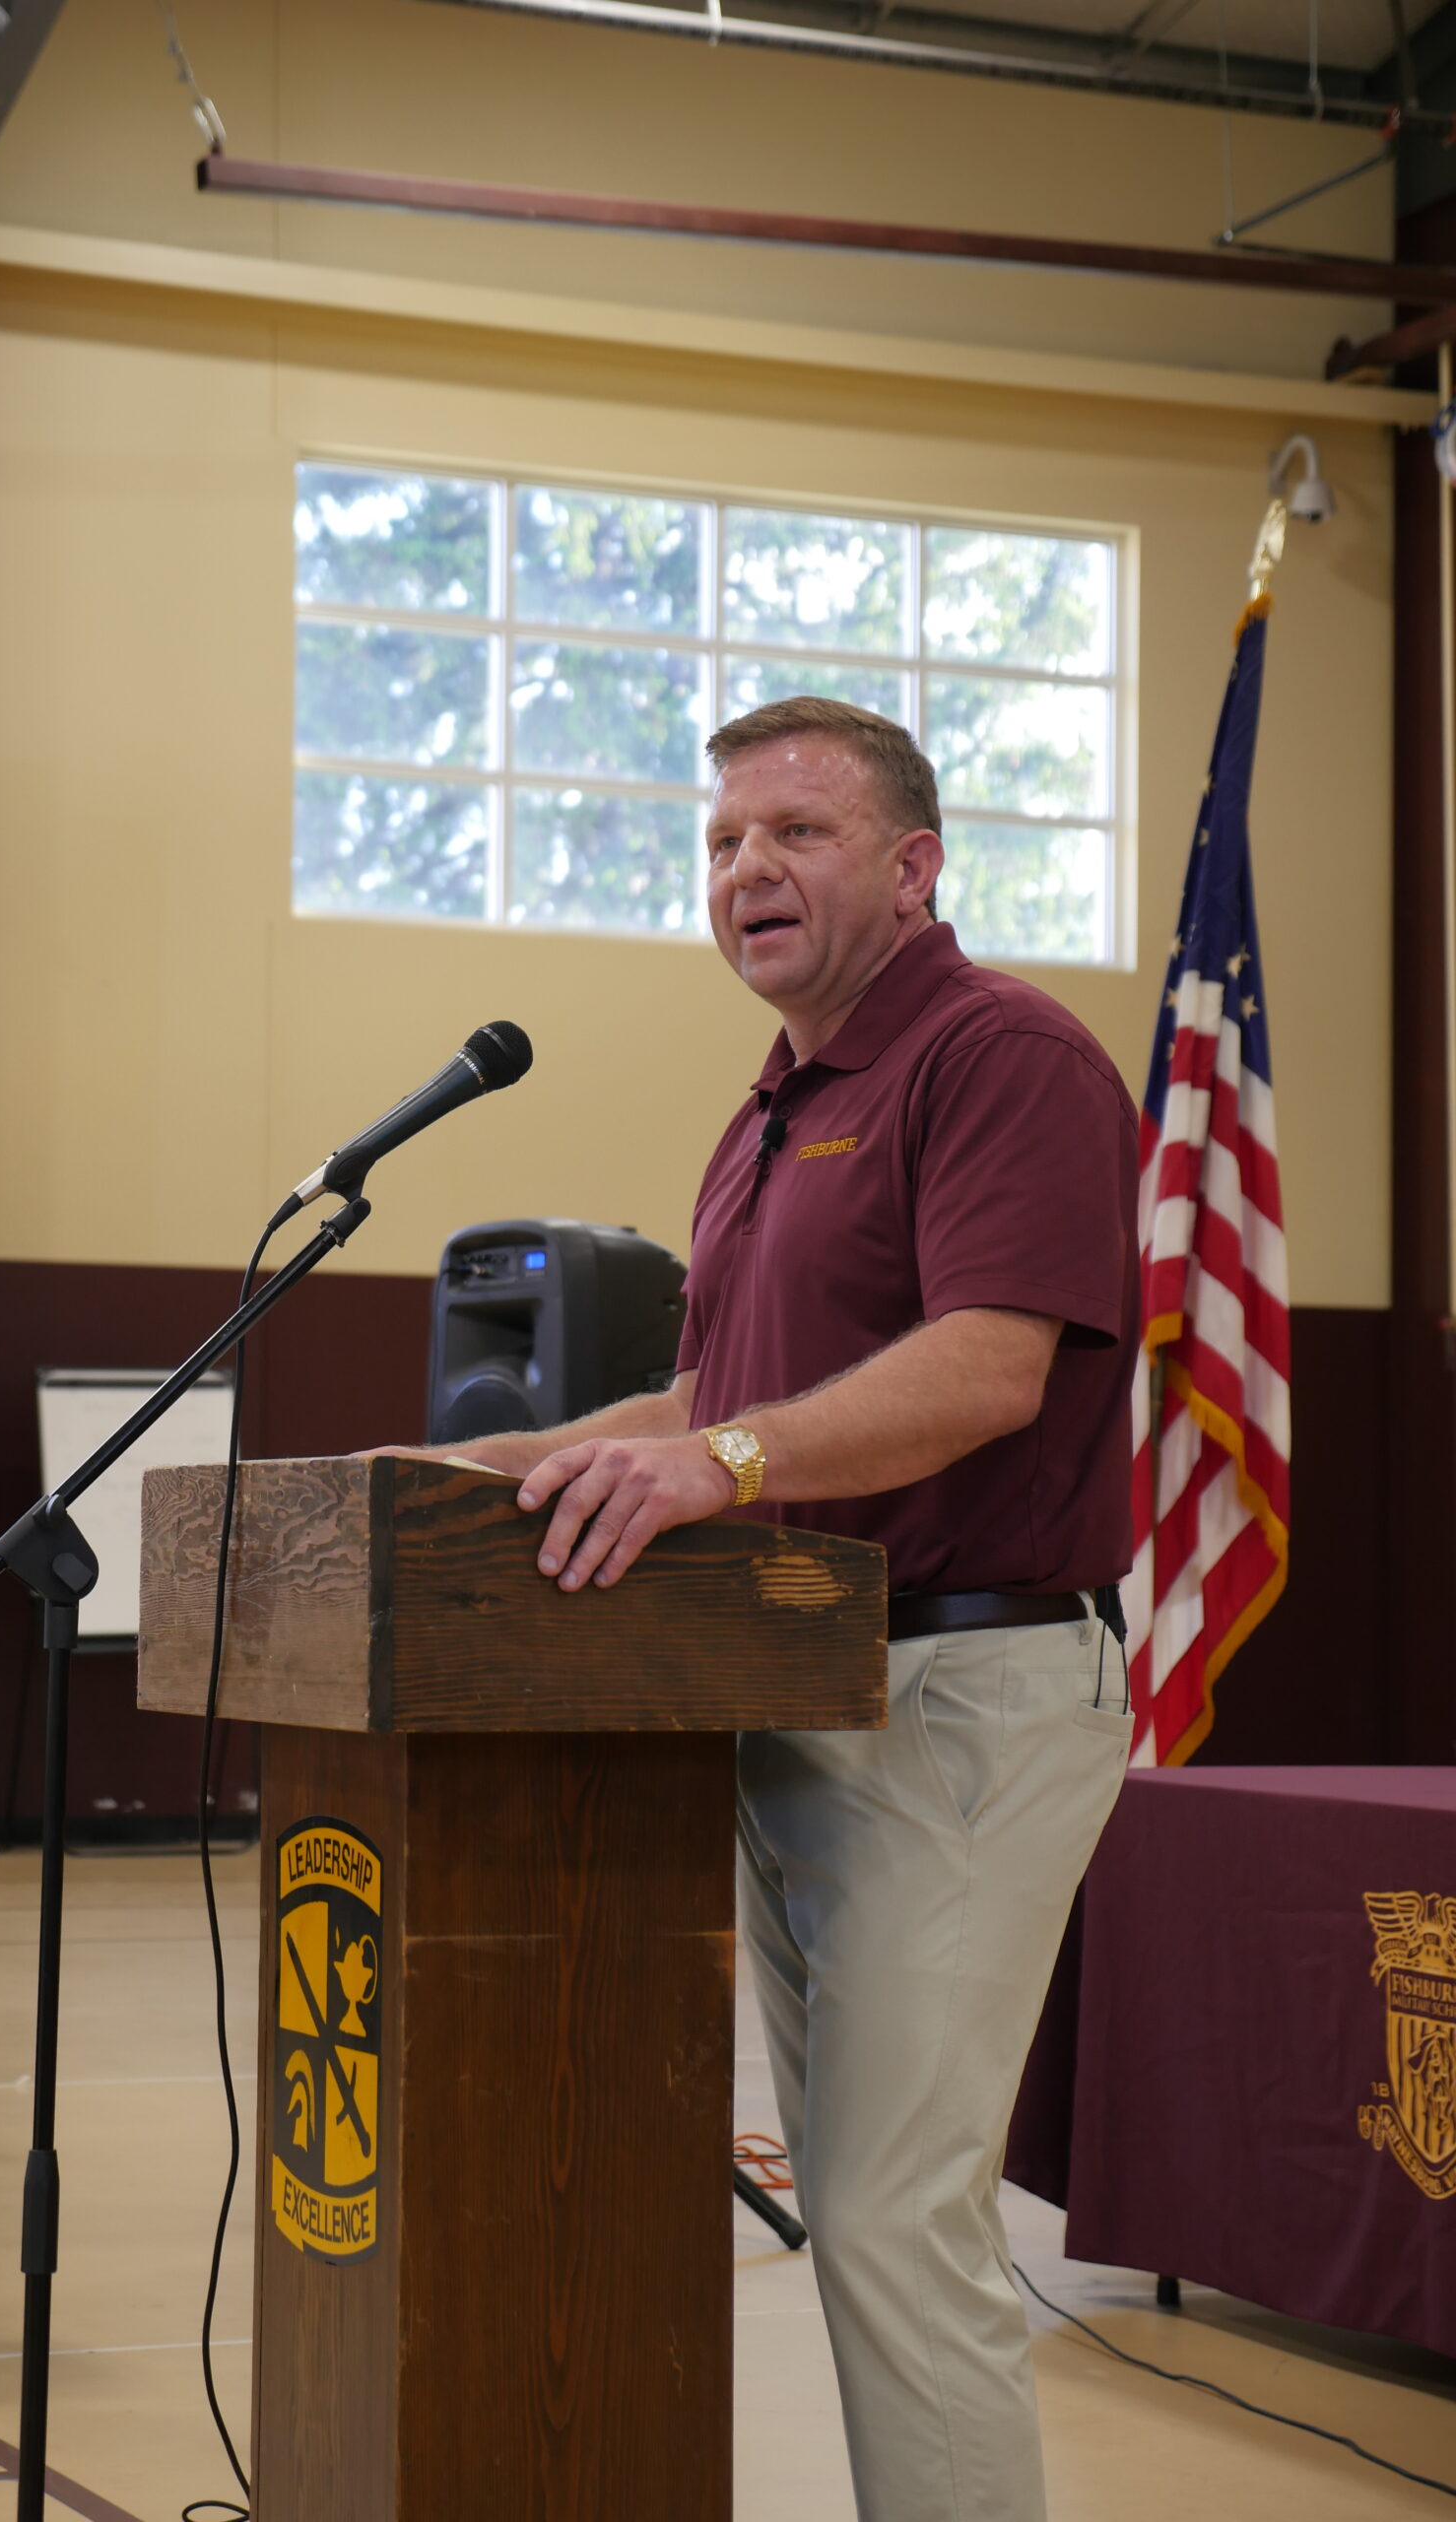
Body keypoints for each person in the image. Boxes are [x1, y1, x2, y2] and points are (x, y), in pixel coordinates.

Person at [401, 696, 1139, 2521]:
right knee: (858, 2206)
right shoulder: (773, 1108)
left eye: (796, 833)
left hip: (961, 1692)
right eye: (725, 841)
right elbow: (709, 1397)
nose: (748, 870)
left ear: (912, 866)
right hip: (791, 1682)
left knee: (895, 2220)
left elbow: (984, 1371)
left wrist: (716, 1466)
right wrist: (464, 1482)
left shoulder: (1003, 1057)